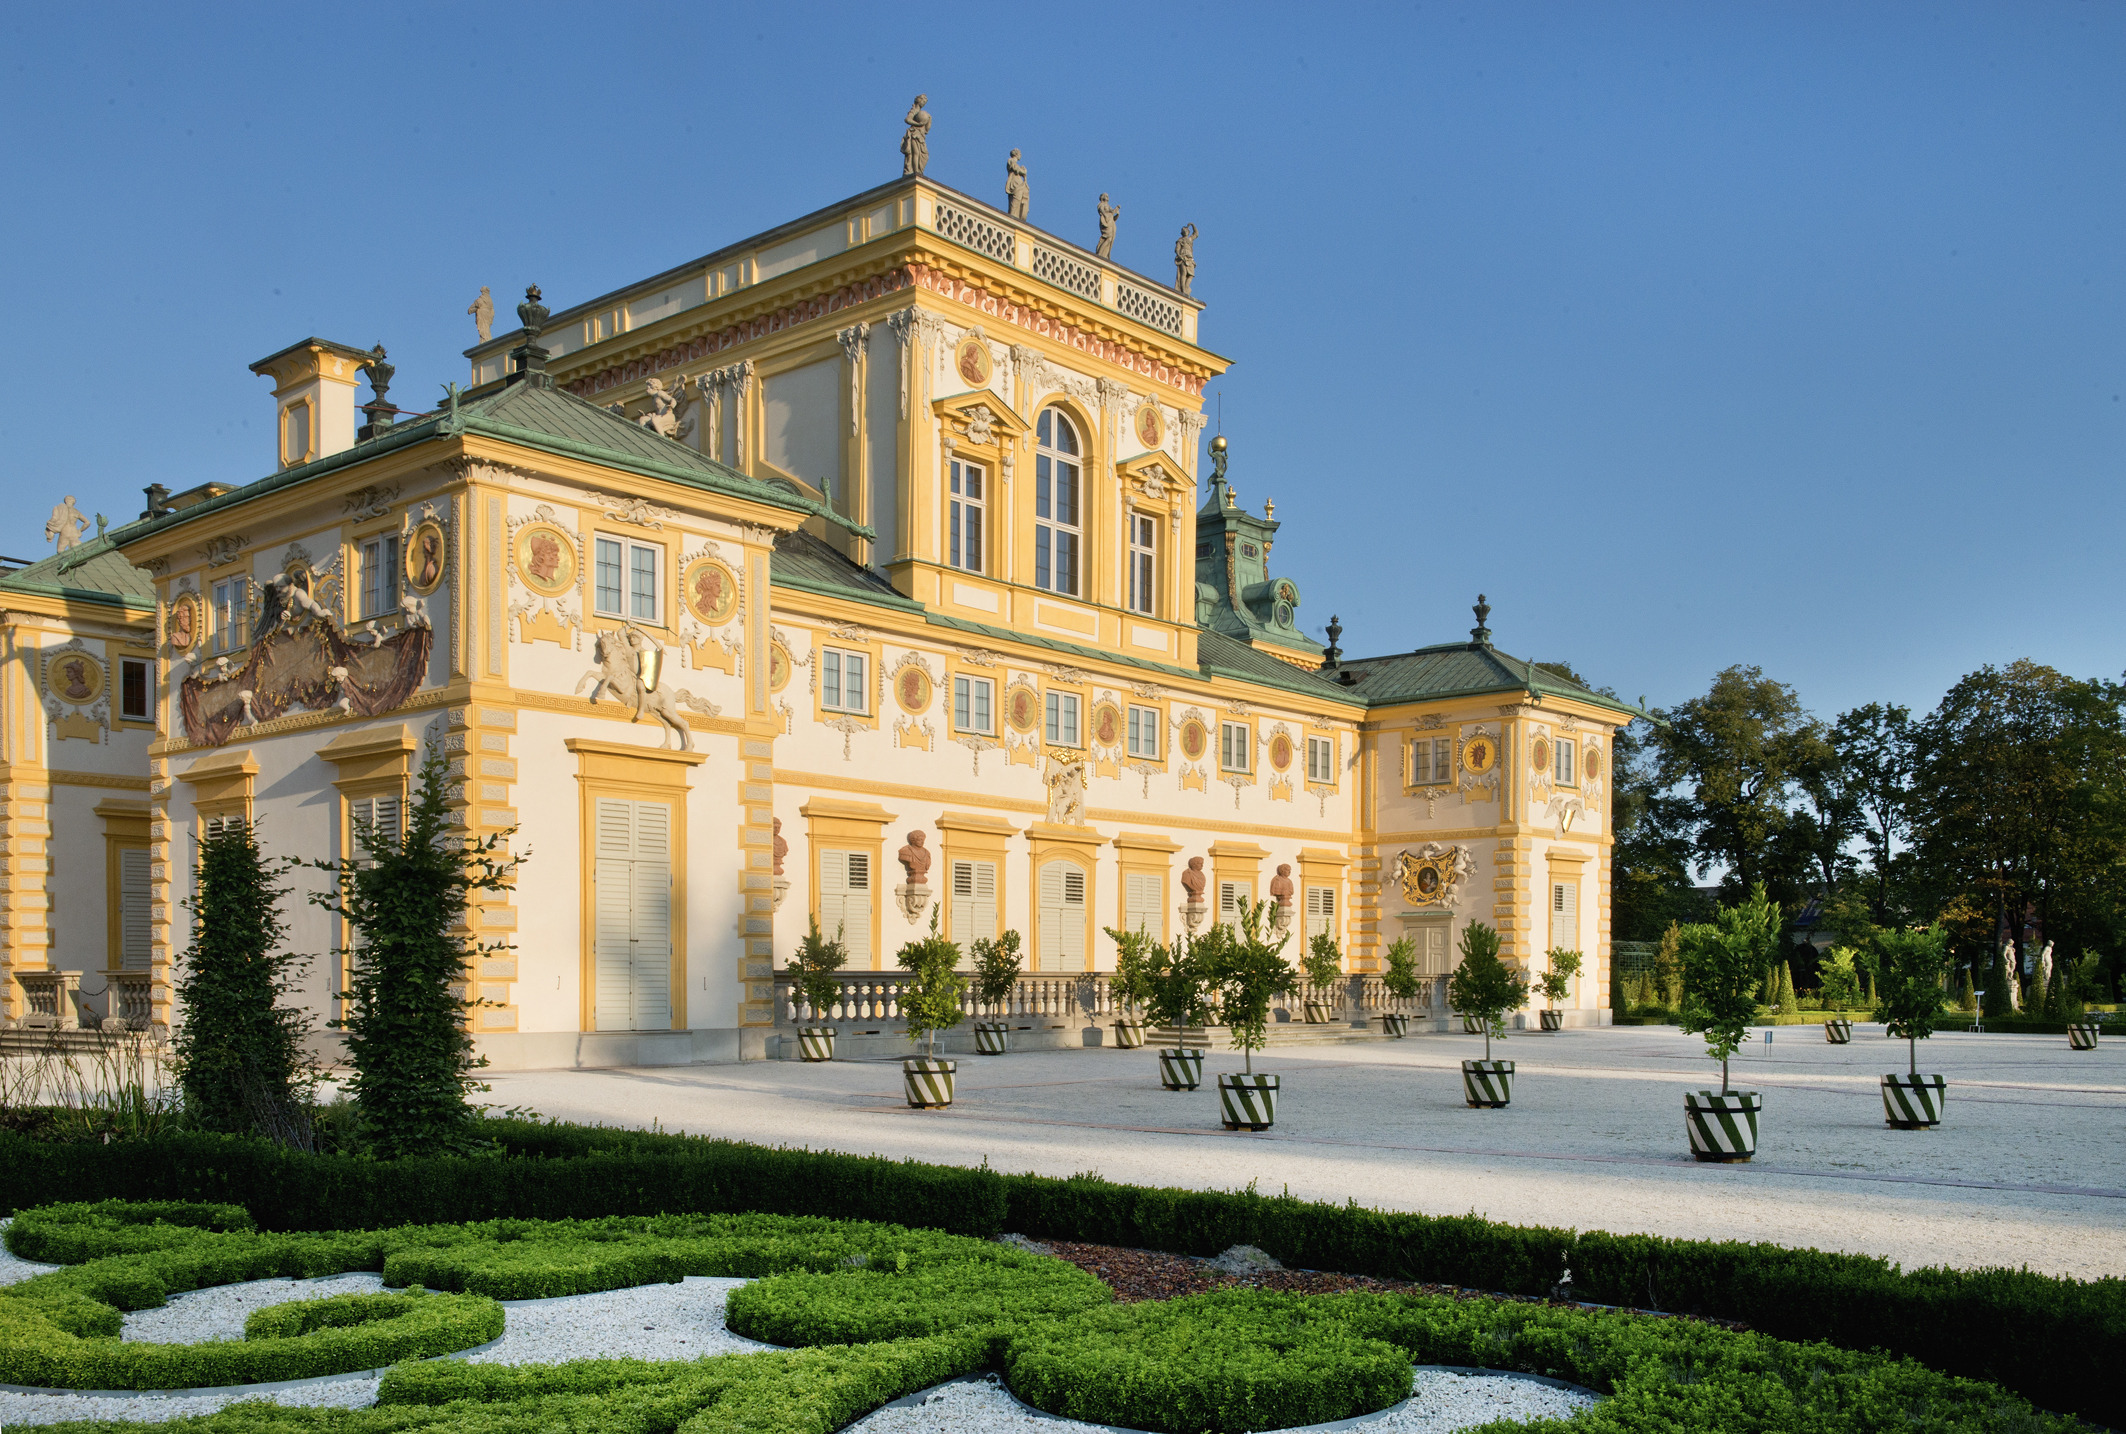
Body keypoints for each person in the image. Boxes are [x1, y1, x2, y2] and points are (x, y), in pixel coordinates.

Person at [901, 95, 930, 176]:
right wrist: (918, 124)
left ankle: (918, 171)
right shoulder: (914, 110)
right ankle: (916, 171)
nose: (924, 103)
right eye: (923, 101)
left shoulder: (921, 112)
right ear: (919, 100)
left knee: (924, 155)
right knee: (916, 153)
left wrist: (929, 120)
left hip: (920, 135)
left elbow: (927, 129)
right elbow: (907, 119)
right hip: (914, 133)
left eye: (925, 102)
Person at [1174, 223, 1197, 297]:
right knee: (1183, 273)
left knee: (1191, 275)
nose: (1185, 231)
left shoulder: (1190, 239)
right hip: (1183, 258)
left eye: (1186, 230)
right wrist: (1180, 256)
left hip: (1190, 259)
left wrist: (1192, 225)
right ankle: (1183, 289)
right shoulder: (1180, 240)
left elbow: (1196, 233)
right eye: (1184, 230)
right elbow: (1177, 250)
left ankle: (1186, 287)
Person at [1005, 149, 1029, 219]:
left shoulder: (1015, 163)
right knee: (1015, 203)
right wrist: (1024, 171)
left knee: (1019, 202)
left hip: (1018, 184)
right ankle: (1012, 218)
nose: (1020, 155)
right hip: (1015, 184)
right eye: (1020, 153)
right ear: (1016, 154)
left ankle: (1017, 217)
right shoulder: (1011, 160)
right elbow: (1016, 169)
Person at [1096, 193, 1121, 258]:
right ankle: (1100, 253)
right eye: (1105, 196)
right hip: (1106, 222)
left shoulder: (1108, 206)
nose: (1107, 197)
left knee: (1111, 239)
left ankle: (1105, 254)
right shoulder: (1101, 204)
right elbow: (1101, 210)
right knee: (1108, 237)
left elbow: (1112, 214)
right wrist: (1106, 216)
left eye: (1107, 196)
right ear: (1102, 197)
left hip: (1111, 223)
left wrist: (1117, 213)